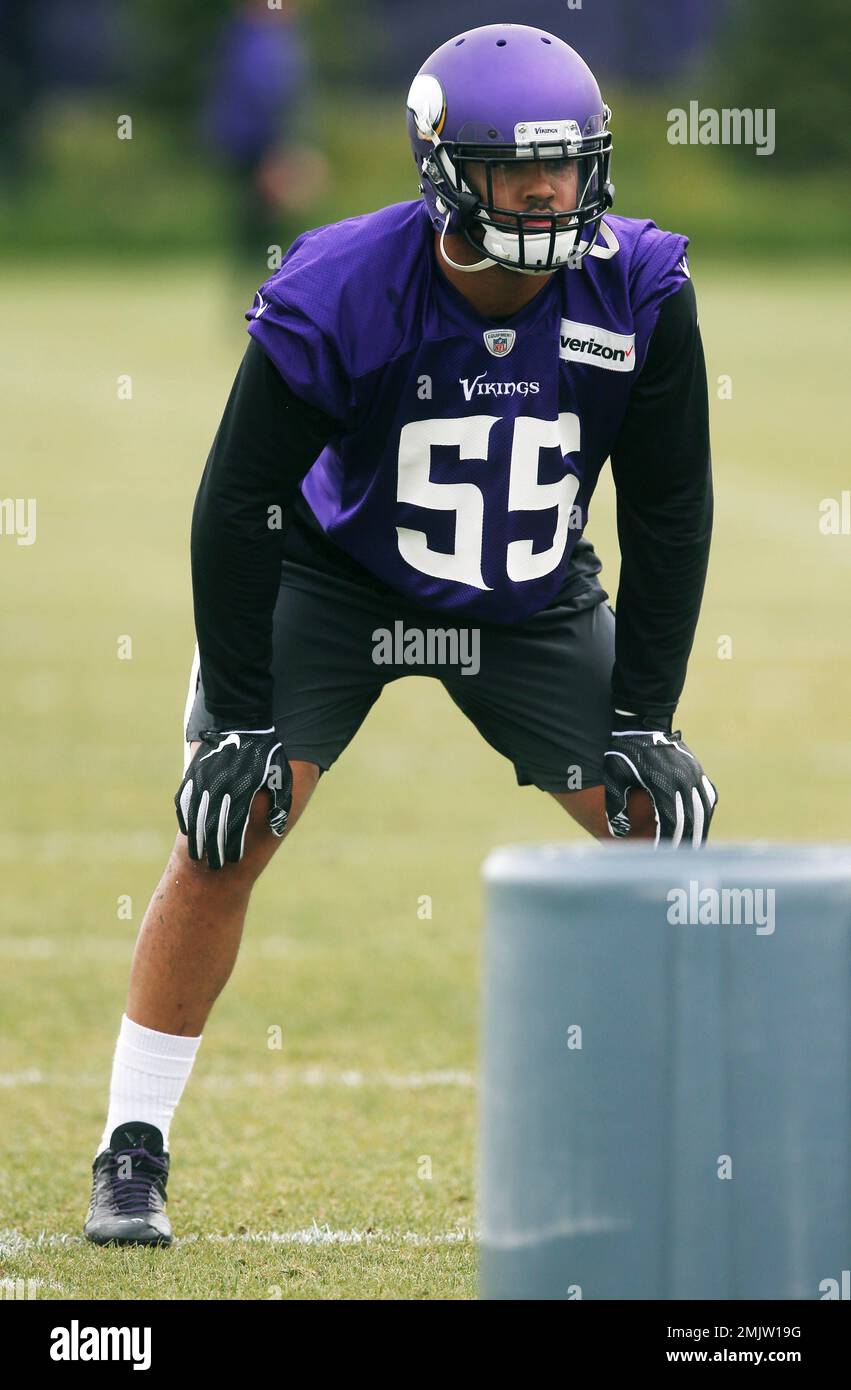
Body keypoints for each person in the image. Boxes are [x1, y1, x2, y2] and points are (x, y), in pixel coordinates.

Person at [84, 23, 717, 1247]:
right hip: (336, 583)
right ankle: (131, 1146)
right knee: (228, 825)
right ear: (442, 168)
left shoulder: (640, 289)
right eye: (510, 168)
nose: (545, 191)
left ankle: (694, 1129)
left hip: (527, 594)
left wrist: (644, 713)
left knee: (663, 828)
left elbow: (671, 509)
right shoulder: (340, 285)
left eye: (566, 165)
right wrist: (245, 715)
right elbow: (237, 501)